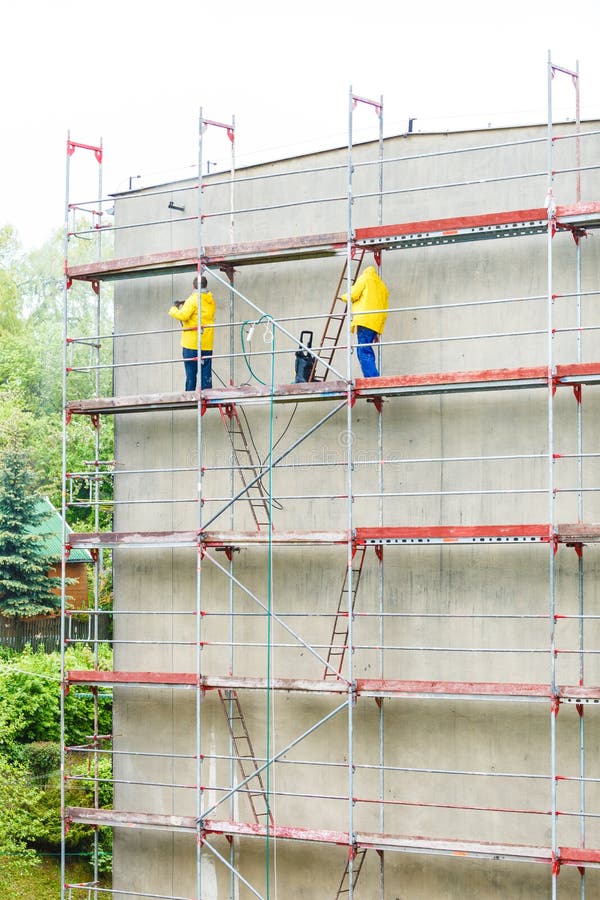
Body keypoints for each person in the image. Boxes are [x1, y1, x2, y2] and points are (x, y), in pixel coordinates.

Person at [340, 265, 389, 378]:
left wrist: (343, 297)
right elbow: (385, 310)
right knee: (365, 348)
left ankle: (372, 377)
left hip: (364, 319)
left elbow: (353, 294)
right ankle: (372, 376)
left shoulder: (365, 278)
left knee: (363, 350)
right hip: (375, 323)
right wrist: (378, 331)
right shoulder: (382, 287)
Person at [169, 275, 215, 390]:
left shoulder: (193, 299)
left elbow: (183, 315)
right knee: (206, 372)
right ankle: (207, 393)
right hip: (207, 343)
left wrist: (174, 309)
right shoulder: (210, 301)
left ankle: (190, 394)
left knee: (191, 373)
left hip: (191, 344)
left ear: (193, 286)